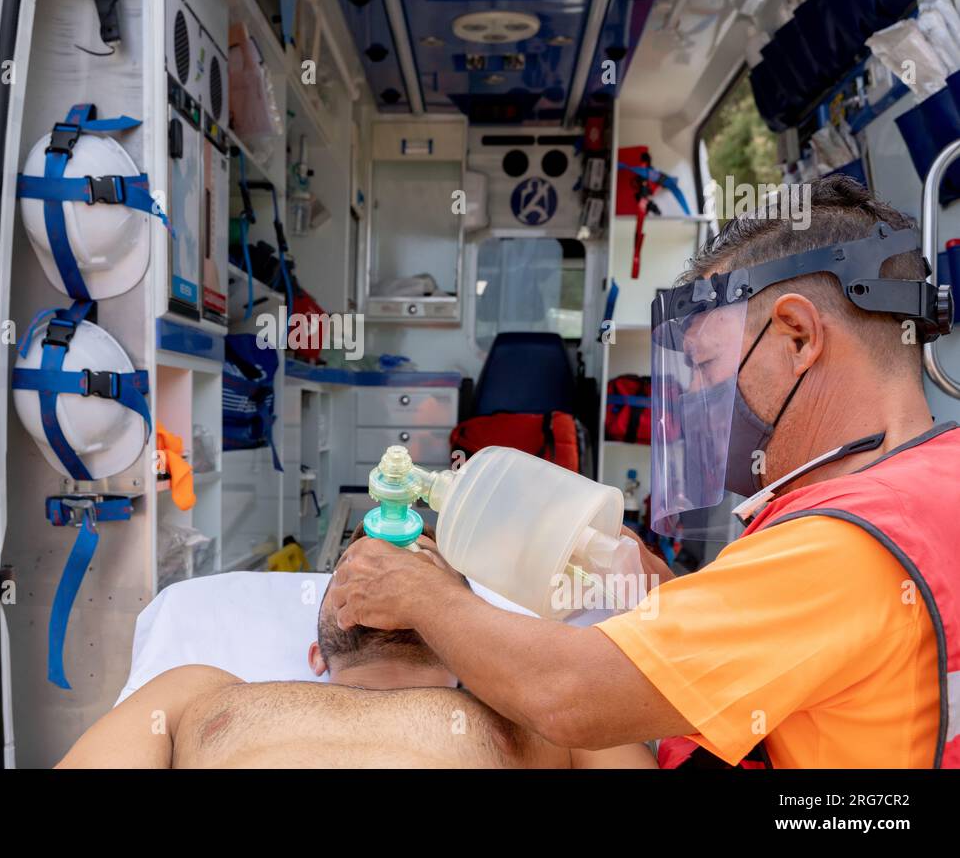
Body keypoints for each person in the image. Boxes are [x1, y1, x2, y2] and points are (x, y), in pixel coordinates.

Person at [327, 177, 959, 769]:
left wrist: (419, 594)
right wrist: (664, 593)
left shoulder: (847, 545)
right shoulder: (926, 478)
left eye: (709, 367)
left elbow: (568, 697)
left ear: (796, 336)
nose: (705, 401)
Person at [57, 536, 655, 768]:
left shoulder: (551, 710)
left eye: (422, 572)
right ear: (315, 652)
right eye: (355, 573)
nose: (386, 571)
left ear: (470, 647)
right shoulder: (195, 688)